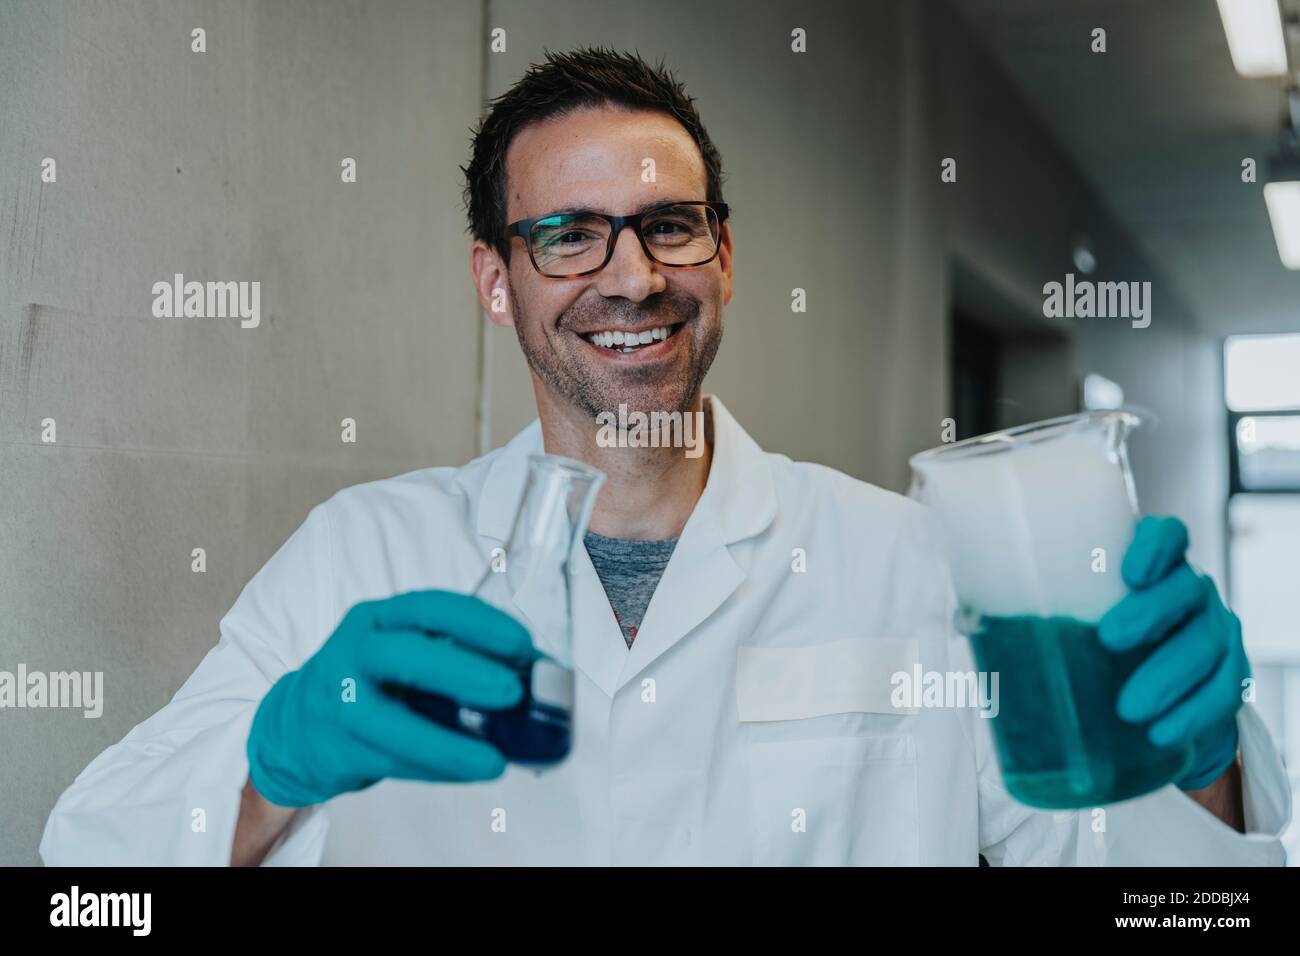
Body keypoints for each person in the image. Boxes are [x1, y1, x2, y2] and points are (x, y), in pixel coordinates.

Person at [41, 47, 1290, 866]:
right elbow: (85, 879)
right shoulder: (361, 555)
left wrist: (1208, 769)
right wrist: (268, 765)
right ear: (496, 279)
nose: (632, 275)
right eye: (569, 235)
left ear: (725, 255)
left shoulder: (918, 561)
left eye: (668, 226)